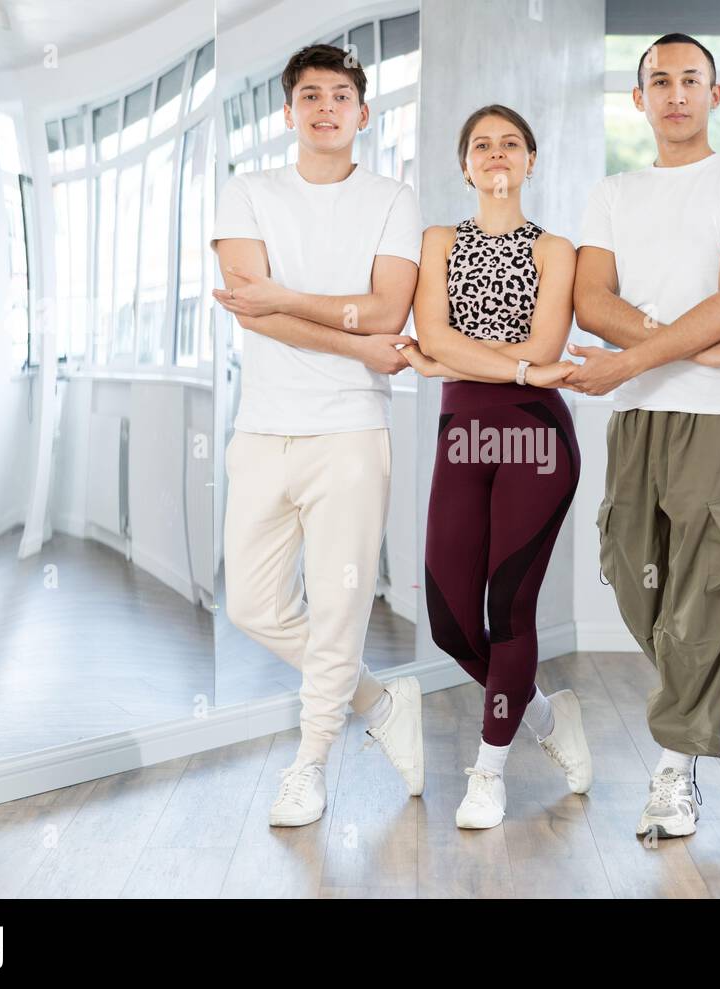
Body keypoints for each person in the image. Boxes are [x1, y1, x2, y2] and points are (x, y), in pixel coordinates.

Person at [570, 34, 720, 840]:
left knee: (700, 591)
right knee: (640, 589)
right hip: (634, 414)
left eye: (691, 80)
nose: (674, 93)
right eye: (658, 81)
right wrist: (671, 343)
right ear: (638, 99)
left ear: (715, 95)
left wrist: (634, 355)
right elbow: (589, 299)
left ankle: (675, 772)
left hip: (713, 413)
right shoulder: (613, 192)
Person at [210, 44, 424, 828]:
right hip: (262, 428)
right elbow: (250, 305)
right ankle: (378, 700)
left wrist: (289, 301)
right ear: (290, 112)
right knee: (254, 606)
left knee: (336, 608)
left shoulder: (393, 199)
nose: (326, 107)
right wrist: (355, 335)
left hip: (350, 431)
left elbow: (388, 314)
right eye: (310, 96)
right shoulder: (249, 191)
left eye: (341, 95)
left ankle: (309, 764)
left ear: (363, 113)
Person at [401, 105, 588, 830]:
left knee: (508, 609)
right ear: (465, 164)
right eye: (481, 144)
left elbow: (543, 349)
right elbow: (435, 334)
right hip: (464, 434)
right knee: (451, 619)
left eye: (511, 143)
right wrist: (515, 366)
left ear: (531, 160)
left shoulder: (557, 249)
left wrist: (454, 359)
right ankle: (543, 713)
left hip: (537, 440)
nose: (496, 153)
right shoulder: (438, 241)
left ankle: (489, 772)